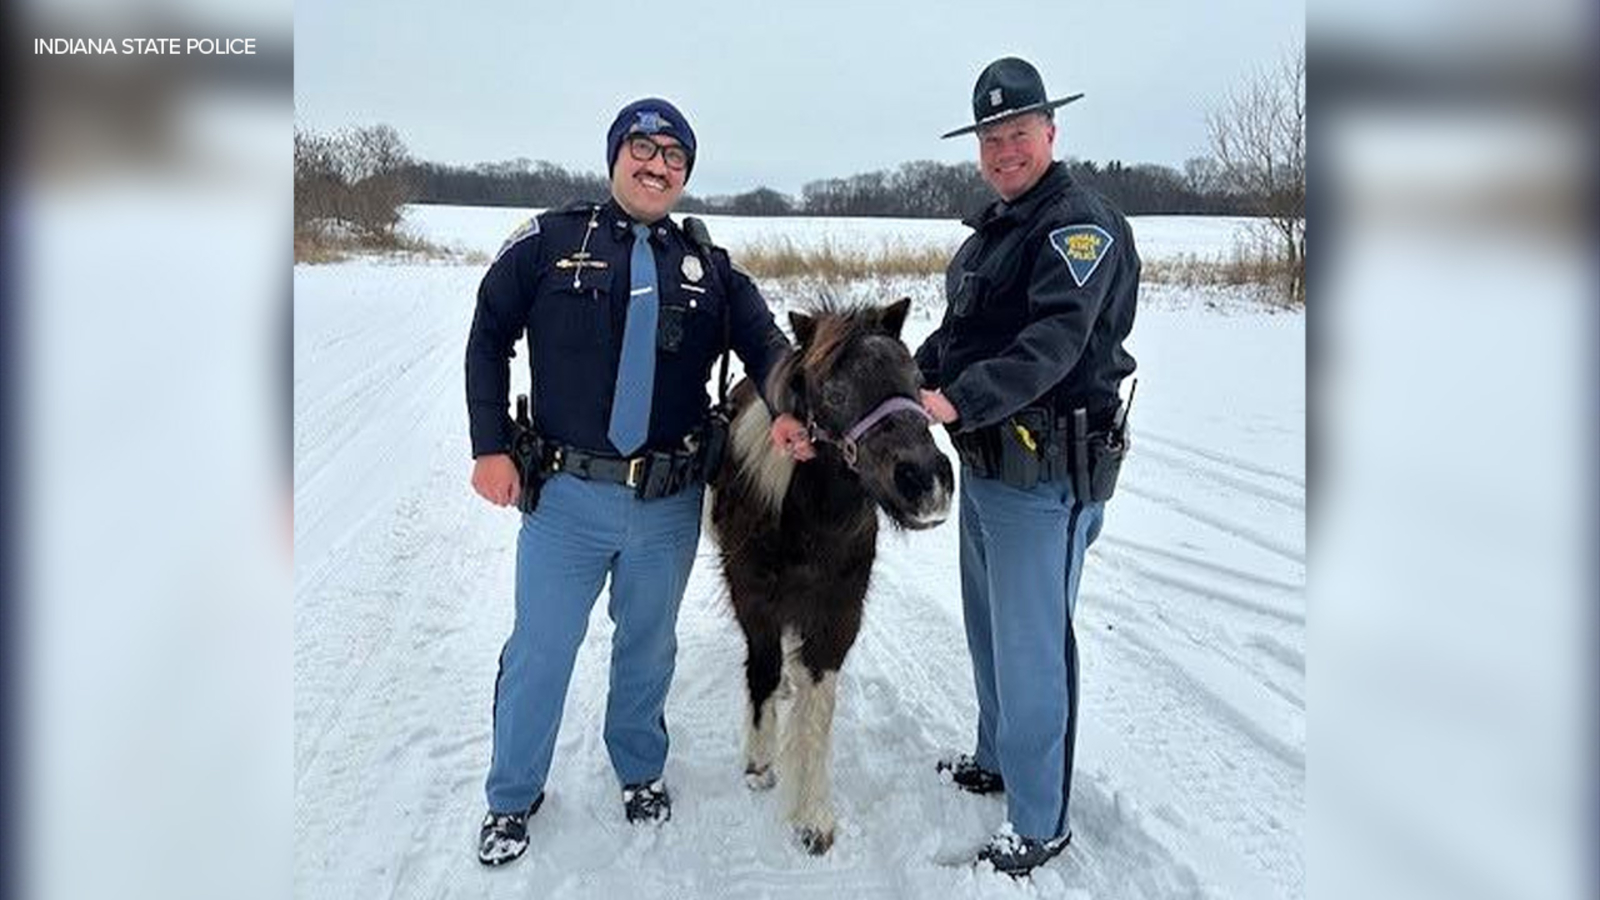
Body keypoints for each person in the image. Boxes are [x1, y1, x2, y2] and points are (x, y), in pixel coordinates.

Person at [464, 97, 811, 866]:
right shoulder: (552, 242)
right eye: (643, 150)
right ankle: (512, 795)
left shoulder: (710, 271)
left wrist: (790, 406)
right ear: (616, 155)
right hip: (566, 500)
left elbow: (768, 348)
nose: (657, 166)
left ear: (686, 173)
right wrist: (490, 445)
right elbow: (488, 332)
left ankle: (639, 768)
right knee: (540, 650)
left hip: (667, 502)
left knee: (649, 646)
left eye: (674, 158)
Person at [915, 57, 1139, 877]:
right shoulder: (991, 236)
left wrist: (956, 401)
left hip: (1044, 477)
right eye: (990, 138)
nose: (1004, 150)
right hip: (985, 470)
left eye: (1017, 133)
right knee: (991, 636)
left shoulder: (1079, 226)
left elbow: (1053, 345)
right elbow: (957, 337)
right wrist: (913, 376)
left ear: (1050, 131)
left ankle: (1040, 820)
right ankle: (998, 759)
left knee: (1033, 646)